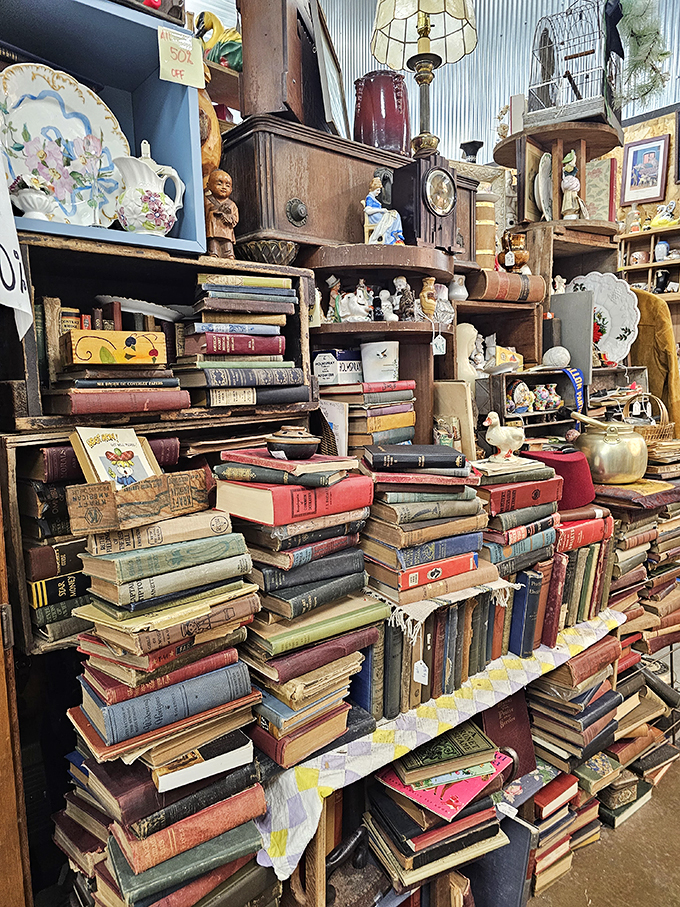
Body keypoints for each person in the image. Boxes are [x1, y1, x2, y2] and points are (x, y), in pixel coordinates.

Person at [204, 169, 239, 258]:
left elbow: (235, 217)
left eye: (227, 185)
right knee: (213, 242)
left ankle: (229, 255)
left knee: (227, 244)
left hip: (226, 231)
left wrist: (229, 218)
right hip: (213, 230)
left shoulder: (231, 204)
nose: (224, 187)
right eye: (219, 184)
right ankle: (213, 253)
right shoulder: (207, 201)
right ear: (209, 185)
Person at [365, 177, 405, 245]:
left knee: (395, 213)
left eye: (379, 190)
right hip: (374, 217)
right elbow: (367, 211)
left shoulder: (373, 198)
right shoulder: (369, 198)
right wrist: (380, 210)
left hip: (378, 215)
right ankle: (391, 237)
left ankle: (397, 234)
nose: (379, 192)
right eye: (377, 190)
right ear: (373, 189)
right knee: (392, 216)